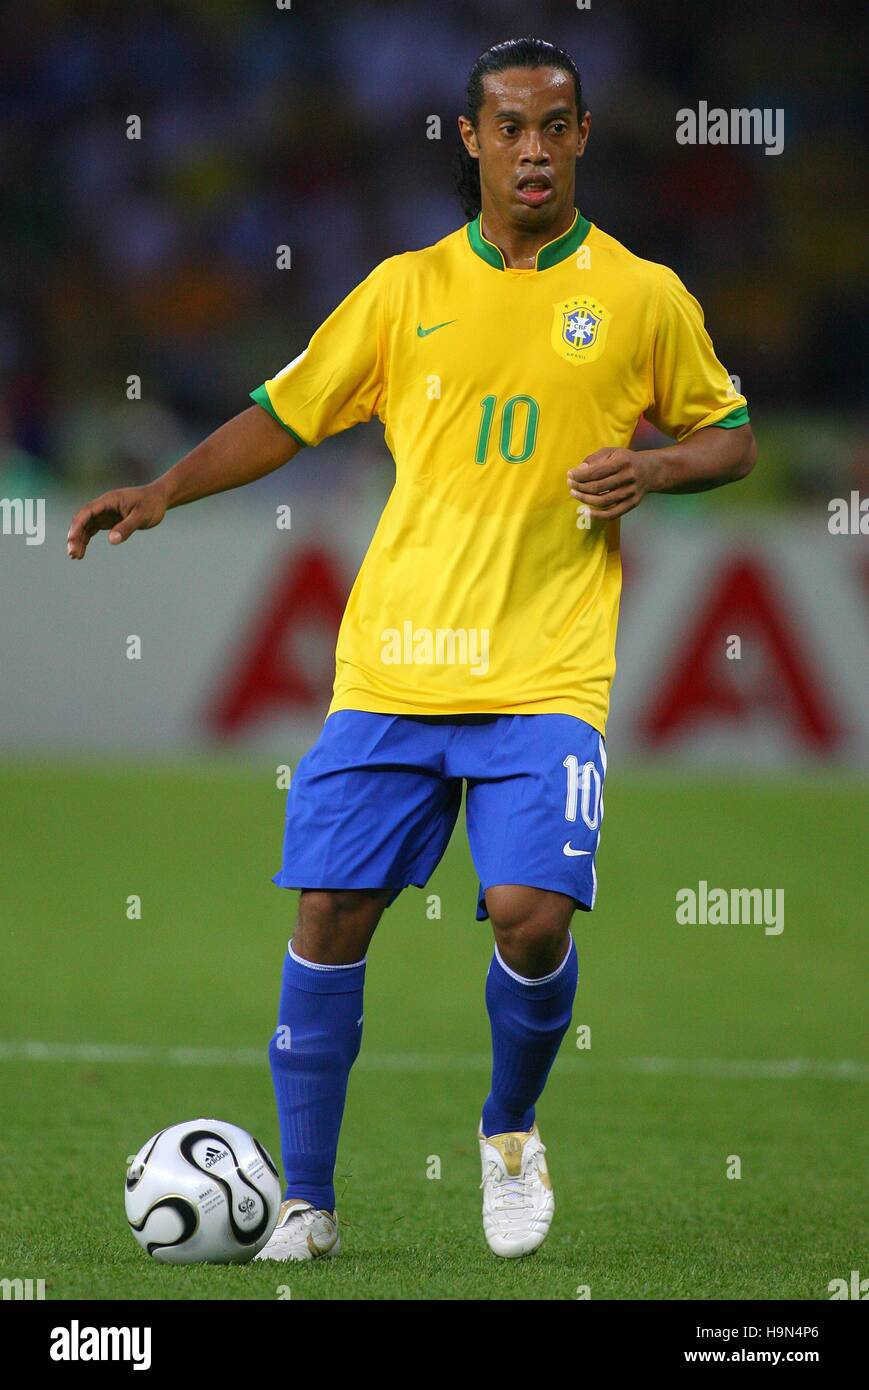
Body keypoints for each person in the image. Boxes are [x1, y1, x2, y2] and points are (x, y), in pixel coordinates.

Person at [67, 37, 755, 1262]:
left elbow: (732, 438)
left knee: (529, 914)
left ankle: (507, 1131)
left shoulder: (644, 295)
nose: (532, 149)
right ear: (468, 139)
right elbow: (286, 413)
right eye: (508, 127)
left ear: (583, 137)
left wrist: (652, 464)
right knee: (329, 909)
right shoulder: (403, 291)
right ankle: (308, 1203)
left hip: (545, 674)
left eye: (554, 126)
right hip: (392, 667)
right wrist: (166, 486)